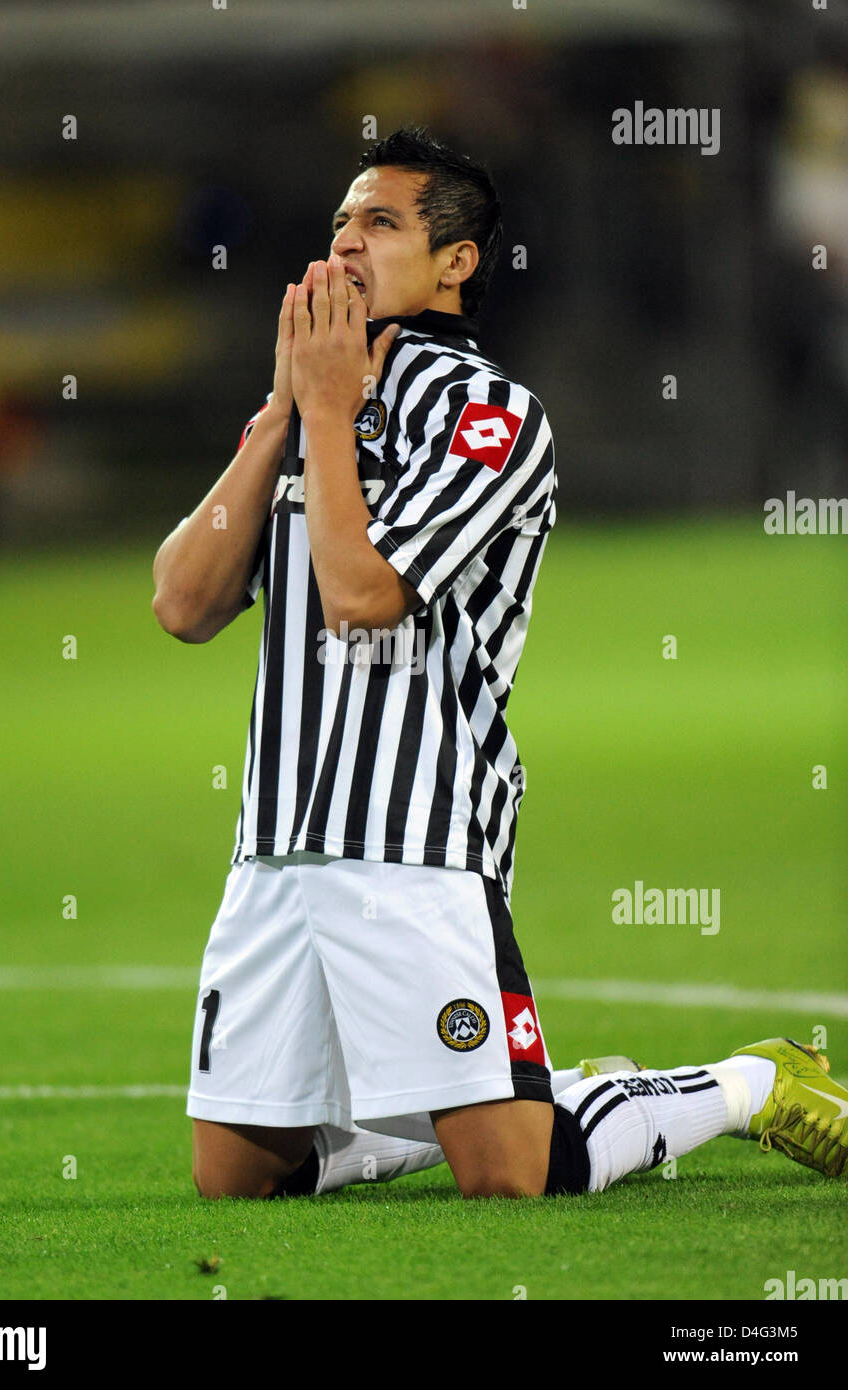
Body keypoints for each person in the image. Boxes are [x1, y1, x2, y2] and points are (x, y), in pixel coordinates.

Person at [152, 127, 847, 1199]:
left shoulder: (488, 414)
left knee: (513, 1177)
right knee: (241, 1179)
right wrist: (286, 408)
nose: (345, 240)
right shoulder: (306, 405)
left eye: (379, 221)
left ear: (455, 261)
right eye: (340, 219)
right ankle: (523, 1091)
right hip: (275, 841)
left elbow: (360, 600)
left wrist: (325, 418)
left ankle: (748, 1082)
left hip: (417, 837)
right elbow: (182, 602)